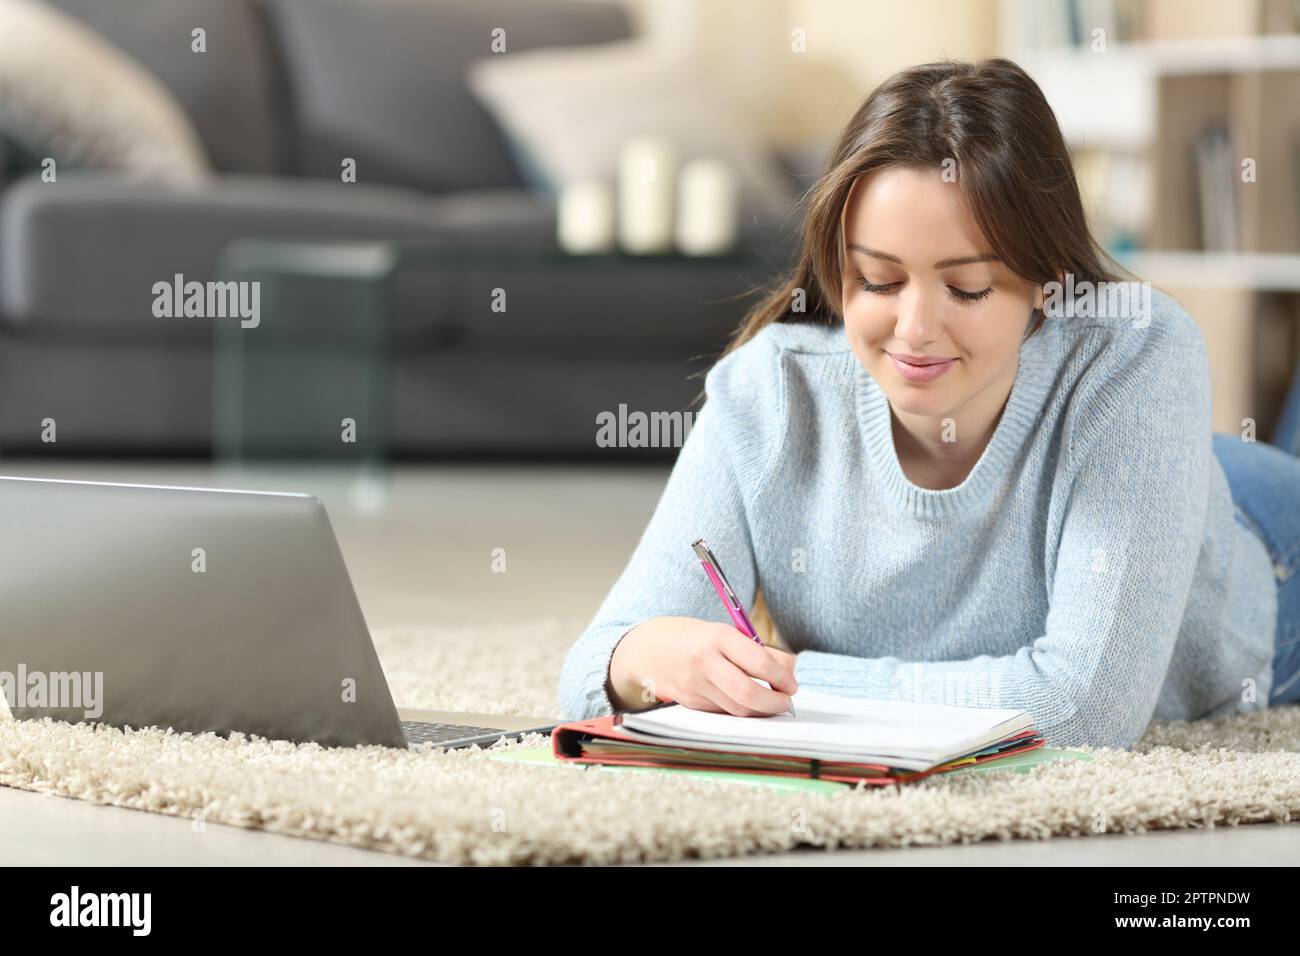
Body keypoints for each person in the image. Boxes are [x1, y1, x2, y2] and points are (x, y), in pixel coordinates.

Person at [558, 58, 1300, 750]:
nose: (914, 331)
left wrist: (786, 682)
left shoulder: (1137, 353)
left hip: (1263, 544)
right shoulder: (768, 390)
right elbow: (593, 672)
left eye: (968, 288)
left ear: (1047, 280)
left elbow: (1085, 706)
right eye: (878, 281)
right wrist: (647, 658)